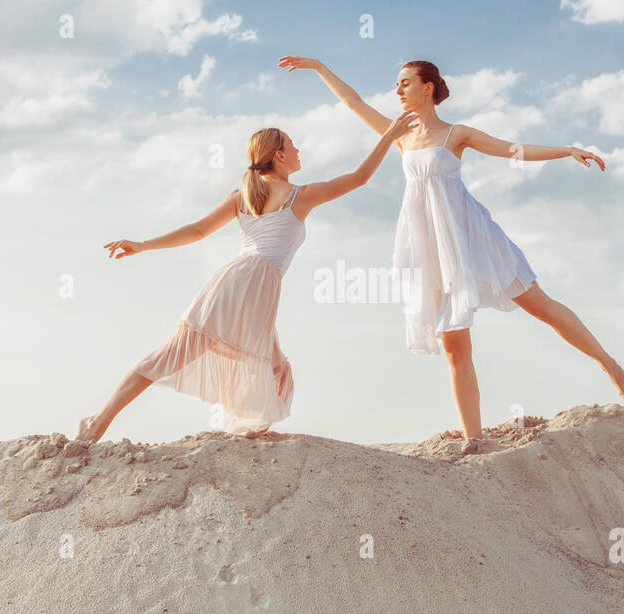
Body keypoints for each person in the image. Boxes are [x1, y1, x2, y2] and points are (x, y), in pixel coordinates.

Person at [278, 55, 624, 451]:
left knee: (539, 304)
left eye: (405, 82)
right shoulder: (398, 134)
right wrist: (320, 68)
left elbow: (512, 150)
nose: (397, 90)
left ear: (427, 87)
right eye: (397, 84)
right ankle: (473, 439)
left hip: (472, 236)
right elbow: (354, 103)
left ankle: (609, 364)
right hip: (431, 247)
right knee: (453, 345)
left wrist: (567, 150)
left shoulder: (456, 134)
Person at [75, 110, 418, 443]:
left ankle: (242, 435)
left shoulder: (246, 196)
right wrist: (388, 135)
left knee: (272, 369)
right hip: (249, 283)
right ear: (280, 155)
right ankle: (98, 422)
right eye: (293, 145)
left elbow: (197, 231)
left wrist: (144, 245)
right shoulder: (299, 196)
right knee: (177, 355)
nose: (299, 151)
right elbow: (359, 178)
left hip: (242, 284)